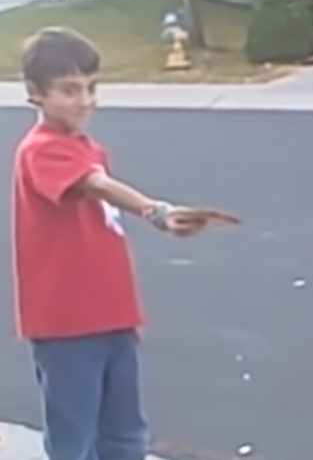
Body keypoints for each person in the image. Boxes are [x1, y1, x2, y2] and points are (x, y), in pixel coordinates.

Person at [10, 26, 239, 460]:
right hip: (67, 325)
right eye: (69, 90)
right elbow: (94, 186)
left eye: (91, 88)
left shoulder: (85, 146)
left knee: (125, 432)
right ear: (34, 93)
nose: (85, 101)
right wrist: (155, 211)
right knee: (75, 438)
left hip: (112, 315)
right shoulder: (41, 149)